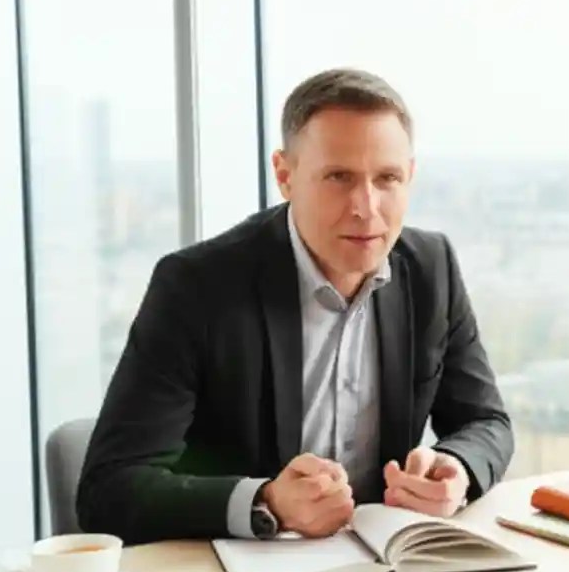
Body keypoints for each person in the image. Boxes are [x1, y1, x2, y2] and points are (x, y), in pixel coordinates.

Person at [77, 68, 514, 545]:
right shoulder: (195, 287)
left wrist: (458, 467)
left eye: (386, 178)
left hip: (386, 569)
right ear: (285, 176)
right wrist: (266, 502)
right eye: (338, 177)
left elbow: (485, 422)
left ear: (410, 175)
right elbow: (110, 489)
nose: (365, 207)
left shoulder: (431, 268)